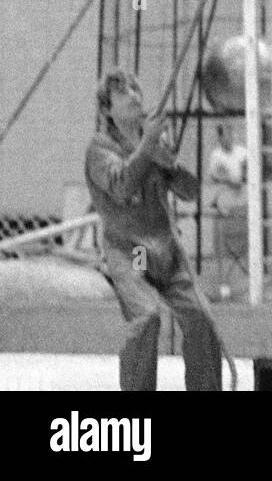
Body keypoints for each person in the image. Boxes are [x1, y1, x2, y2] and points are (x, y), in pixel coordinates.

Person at [85, 68, 223, 391]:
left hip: (167, 252)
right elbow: (120, 187)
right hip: (133, 253)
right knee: (147, 317)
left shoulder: (156, 141)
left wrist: (169, 163)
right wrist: (146, 147)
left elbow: (191, 191)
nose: (134, 95)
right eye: (123, 92)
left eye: (136, 88)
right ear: (107, 109)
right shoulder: (99, 149)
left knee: (201, 317)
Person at [207, 122, 248, 300]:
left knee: (245, 246)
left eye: (230, 134)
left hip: (243, 206)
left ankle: (246, 285)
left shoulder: (243, 153)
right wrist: (233, 181)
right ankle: (224, 286)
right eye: (224, 135)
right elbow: (218, 175)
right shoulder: (216, 155)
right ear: (219, 137)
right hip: (224, 208)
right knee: (223, 248)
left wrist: (241, 178)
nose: (228, 138)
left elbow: (248, 173)